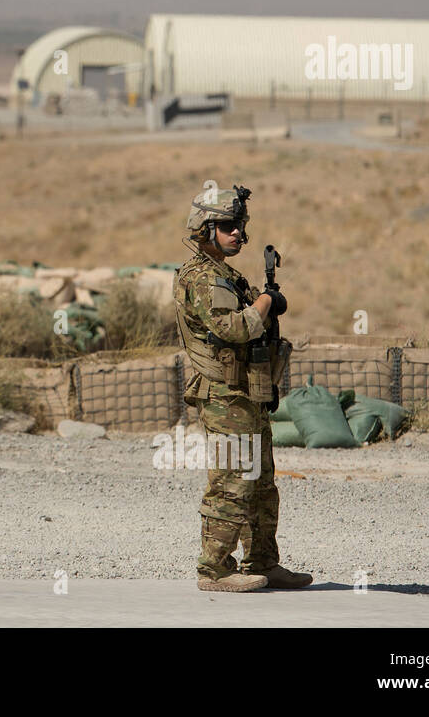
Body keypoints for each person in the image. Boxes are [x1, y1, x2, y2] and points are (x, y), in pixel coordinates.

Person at [172, 185, 313, 593]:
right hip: (225, 396)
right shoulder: (201, 276)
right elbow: (231, 328)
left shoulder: (226, 275)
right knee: (232, 482)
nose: (237, 233)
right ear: (205, 229)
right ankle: (214, 570)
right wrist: (266, 302)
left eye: (239, 226)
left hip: (248, 395)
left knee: (262, 485)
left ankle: (264, 562)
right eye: (227, 226)